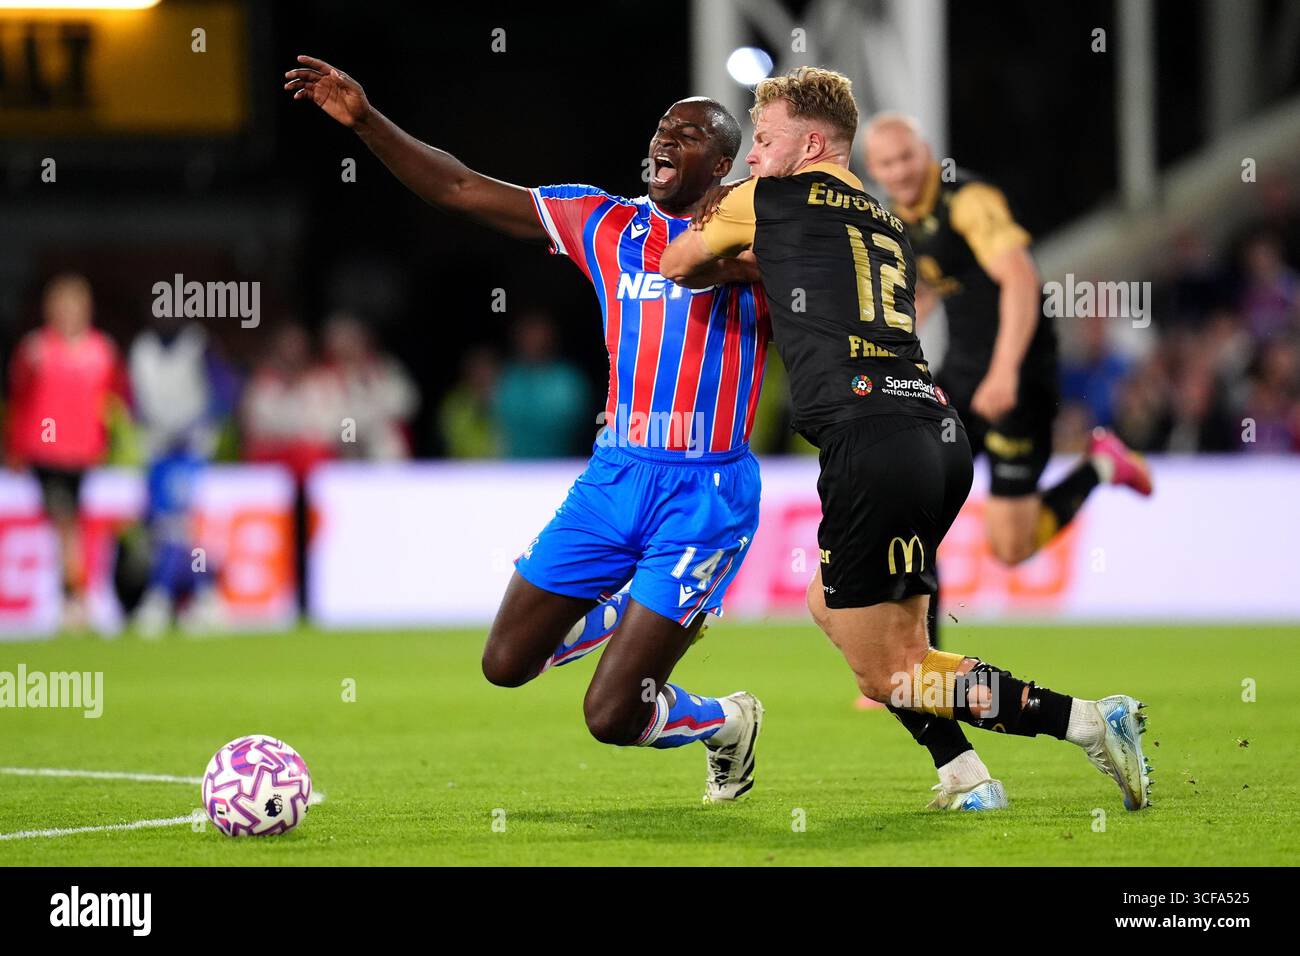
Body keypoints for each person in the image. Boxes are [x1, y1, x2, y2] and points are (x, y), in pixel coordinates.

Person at [662, 66, 1152, 812]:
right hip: (935, 431)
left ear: (813, 141)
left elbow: (677, 264)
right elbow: (818, 273)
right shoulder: (885, 219)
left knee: (891, 673)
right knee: (834, 608)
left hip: (871, 441)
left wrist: (722, 238)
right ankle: (965, 777)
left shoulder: (767, 199)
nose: (752, 156)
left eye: (764, 139)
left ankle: (1087, 720)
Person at [286, 55, 771, 801]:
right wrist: (366, 122)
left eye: (686, 133)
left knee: (611, 717)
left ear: (724, 162)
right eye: (658, 131)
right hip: (615, 478)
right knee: (505, 663)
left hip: (705, 494)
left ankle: (725, 722)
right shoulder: (608, 222)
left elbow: (832, 291)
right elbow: (459, 186)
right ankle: (637, 609)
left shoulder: (761, 245)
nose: (663, 142)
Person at [862, 113, 1152, 573]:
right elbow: (928, 289)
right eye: (888, 164)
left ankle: (1101, 466)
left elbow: (1021, 279)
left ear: (927, 153)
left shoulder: (970, 201)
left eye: (907, 158)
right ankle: (917, 648)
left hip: (1019, 375)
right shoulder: (901, 218)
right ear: (873, 170)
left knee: (1011, 548)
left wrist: (1004, 372)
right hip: (962, 373)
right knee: (913, 502)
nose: (900, 171)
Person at [6, 274, 129, 633]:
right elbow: (20, 400)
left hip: (84, 451)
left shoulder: (101, 350)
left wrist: (113, 441)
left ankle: (76, 597)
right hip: (45, 450)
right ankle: (74, 599)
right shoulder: (35, 350)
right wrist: (14, 447)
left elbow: (115, 399)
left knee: (74, 523)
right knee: (64, 521)